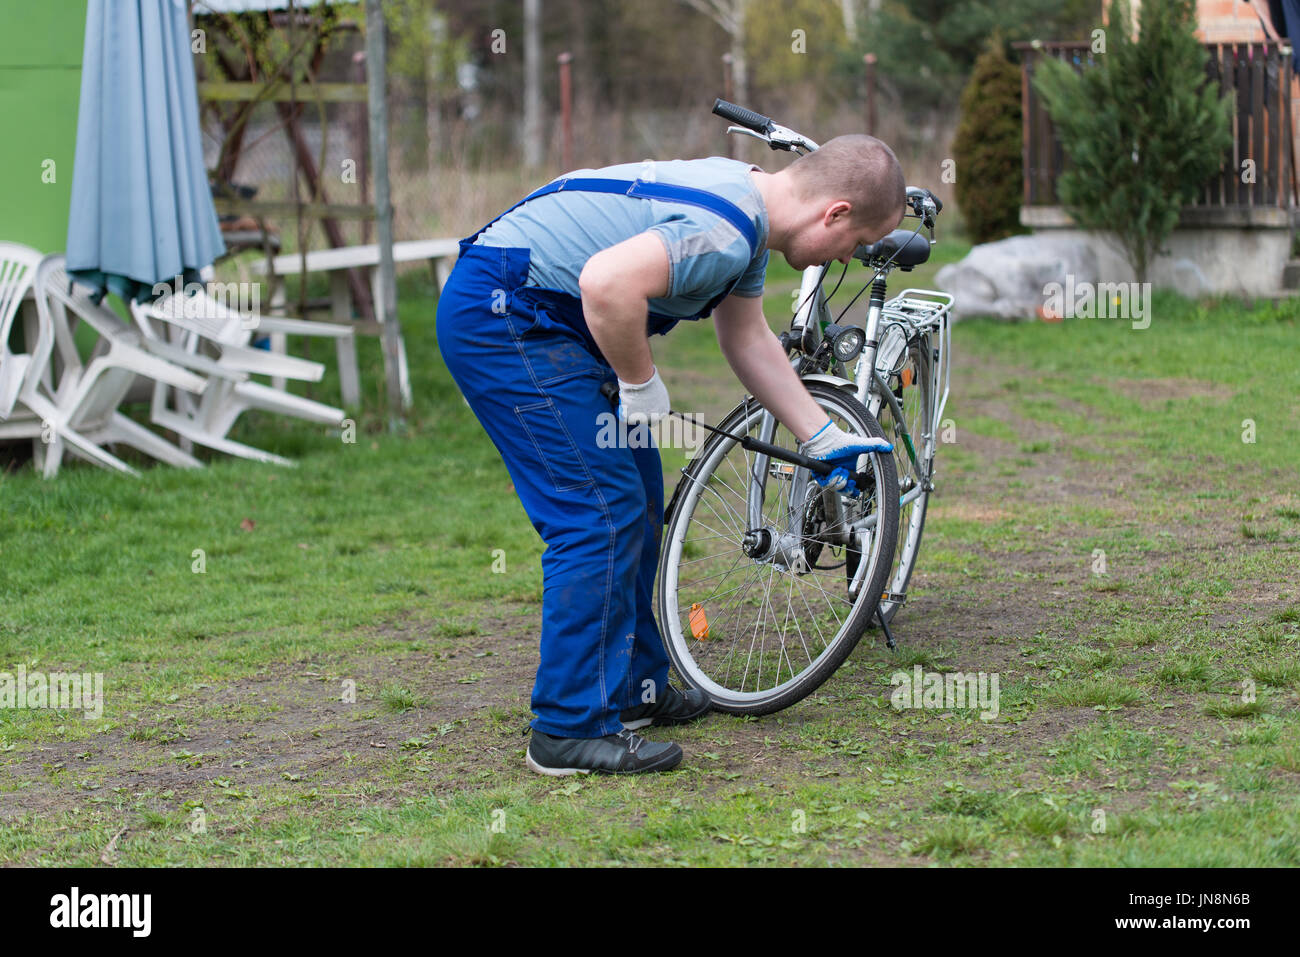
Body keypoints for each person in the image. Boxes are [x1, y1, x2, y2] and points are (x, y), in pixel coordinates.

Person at [436, 134, 906, 776]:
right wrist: (637, 383)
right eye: (853, 244)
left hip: (552, 319)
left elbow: (747, 338)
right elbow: (606, 286)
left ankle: (635, 688)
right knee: (599, 512)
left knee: (637, 494)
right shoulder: (729, 226)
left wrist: (820, 435)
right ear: (836, 214)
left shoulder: (750, 216)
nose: (848, 255)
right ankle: (568, 729)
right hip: (506, 314)